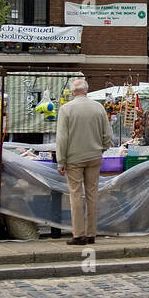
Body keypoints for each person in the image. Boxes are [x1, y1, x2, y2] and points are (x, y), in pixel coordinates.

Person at [56, 77, 111, 246]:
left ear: (72, 92)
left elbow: (62, 138)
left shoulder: (66, 109)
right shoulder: (98, 107)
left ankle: (78, 234)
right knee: (92, 195)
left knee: (75, 195)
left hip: (74, 158)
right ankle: (91, 233)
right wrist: (101, 148)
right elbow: (107, 135)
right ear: (86, 90)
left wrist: (61, 160)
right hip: (94, 156)